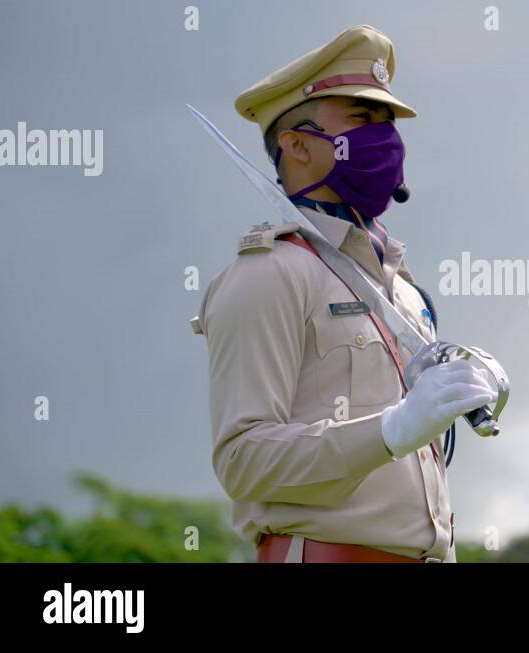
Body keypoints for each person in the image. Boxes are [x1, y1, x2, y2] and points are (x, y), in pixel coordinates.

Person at [194, 25, 495, 563]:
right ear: (297, 144)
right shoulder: (270, 274)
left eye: (386, 122)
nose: (384, 137)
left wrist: (475, 382)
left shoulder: (401, 289)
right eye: (361, 119)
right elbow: (242, 461)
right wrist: (392, 429)